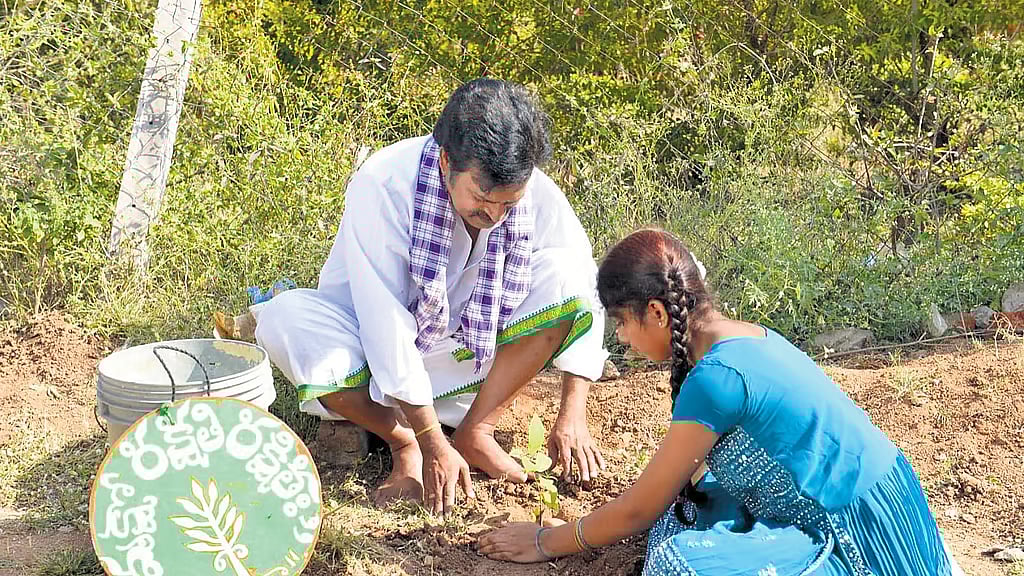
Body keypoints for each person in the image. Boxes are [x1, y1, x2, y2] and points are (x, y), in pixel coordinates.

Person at [477, 228, 966, 575]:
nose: (623, 340)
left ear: (655, 312)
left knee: (677, 562)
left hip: (861, 531)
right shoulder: (744, 336)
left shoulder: (715, 378)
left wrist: (545, 542)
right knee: (685, 505)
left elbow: (635, 512)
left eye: (622, 324)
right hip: (887, 494)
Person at [254, 78, 609, 517]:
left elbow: (584, 285)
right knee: (284, 318)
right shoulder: (383, 184)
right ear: (446, 162)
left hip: (469, 356)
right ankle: (401, 442)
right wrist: (426, 440)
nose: (495, 215)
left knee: (570, 272)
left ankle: (476, 428)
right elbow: (384, 322)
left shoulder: (530, 188)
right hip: (371, 355)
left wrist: (573, 411)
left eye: (508, 204)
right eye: (481, 199)